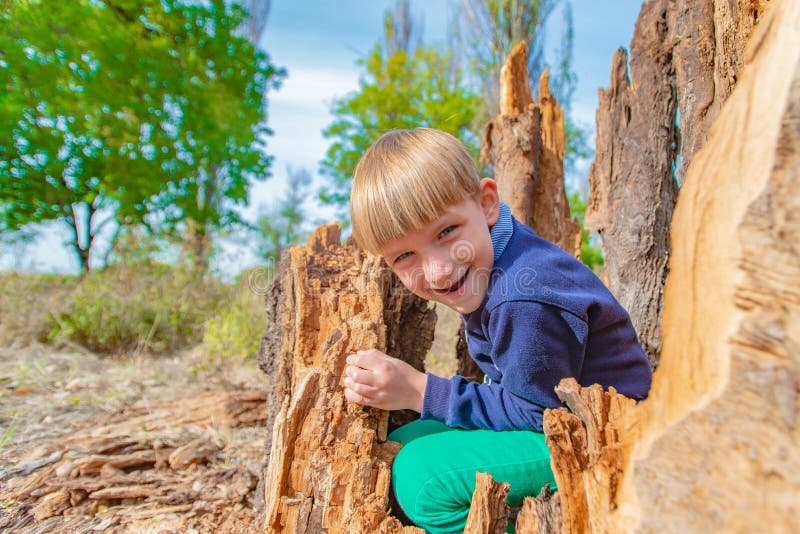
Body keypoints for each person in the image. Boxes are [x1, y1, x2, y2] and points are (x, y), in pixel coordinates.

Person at [343, 127, 652, 533]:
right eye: (405, 255)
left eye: (446, 232)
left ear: (487, 203)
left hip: (606, 440)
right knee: (408, 441)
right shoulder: (495, 261)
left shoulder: (522, 295)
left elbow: (537, 413)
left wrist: (420, 390)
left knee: (421, 478)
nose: (437, 270)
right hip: (556, 419)